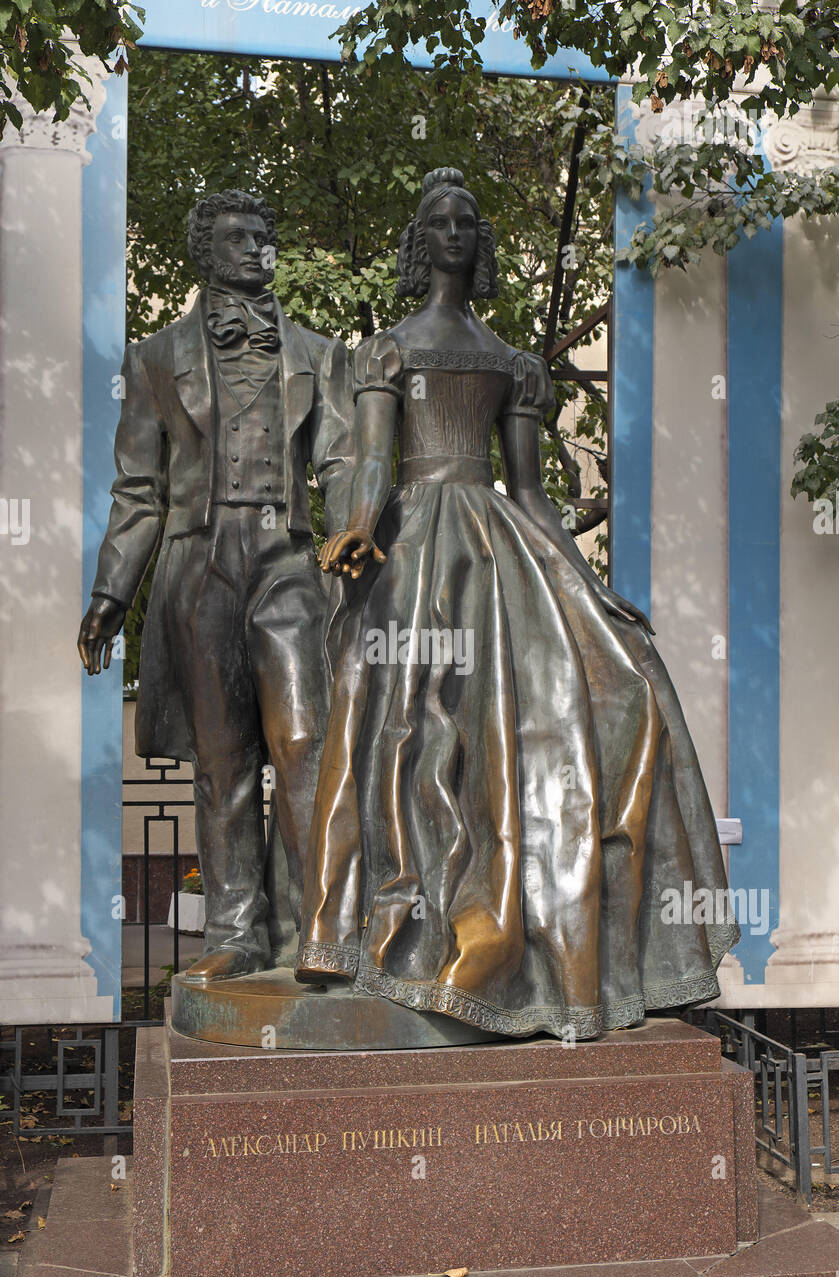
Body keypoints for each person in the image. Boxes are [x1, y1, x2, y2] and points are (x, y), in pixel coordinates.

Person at [295, 167, 737, 1039]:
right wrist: (354, 526)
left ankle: (561, 947)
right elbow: (376, 461)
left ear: (479, 242)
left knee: (620, 688)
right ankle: (374, 930)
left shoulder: (512, 363)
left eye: (467, 220)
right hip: (415, 544)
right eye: (439, 221)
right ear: (419, 242)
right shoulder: (386, 349)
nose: (454, 232)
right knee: (400, 730)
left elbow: (532, 495)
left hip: (498, 548)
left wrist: (594, 586)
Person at [78, 189, 353, 983]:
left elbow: (339, 462)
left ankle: (317, 929)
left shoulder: (320, 353)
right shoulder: (155, 358)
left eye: (264, 236)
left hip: (291, 559)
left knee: (303, 741)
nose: (255, 248)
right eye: (238, 236)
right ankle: (235, 934)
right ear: (207, 251)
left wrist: (353, 538)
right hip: (199, 561)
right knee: (222, 757)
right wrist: (109, 594)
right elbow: (138, 491)